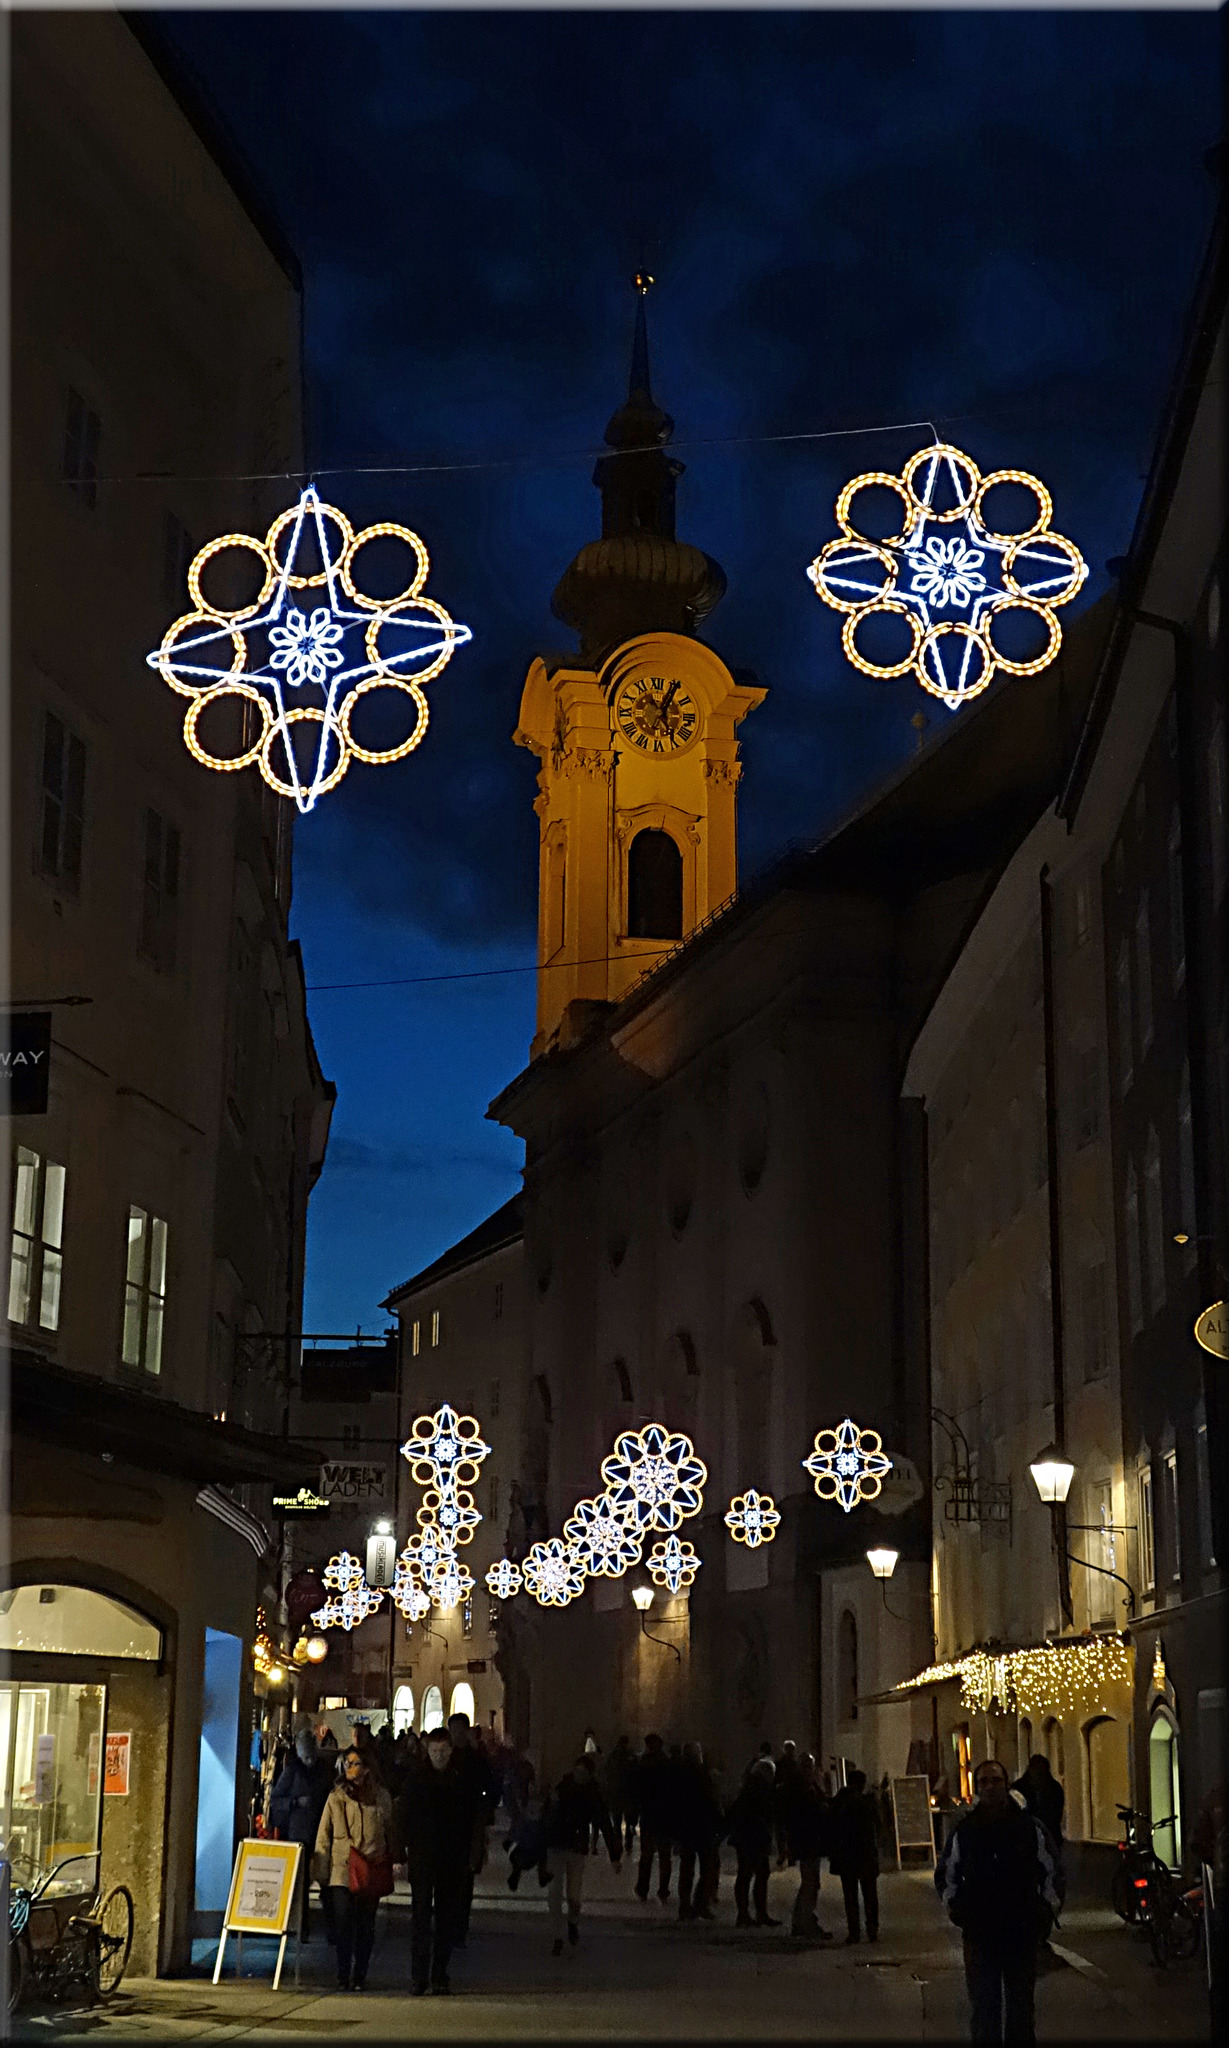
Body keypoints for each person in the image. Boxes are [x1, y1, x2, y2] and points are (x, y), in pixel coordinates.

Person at [936, 1756, 1062, 2044]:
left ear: (1007, 1785)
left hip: (1022, 1932)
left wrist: (1045, 1911)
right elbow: (946, 1874)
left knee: (1021, 2011)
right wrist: (956, 1909)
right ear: (977, 1788)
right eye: (984, 1782)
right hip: (980, 1936)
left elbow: (1053, 1871)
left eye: (996, 1780)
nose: (990, 1787)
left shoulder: (1029, 1828)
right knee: (984, 2011)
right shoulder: (965, 1831)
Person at [398, 1726, 482, 1996]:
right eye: (435, 1750)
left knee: (446, 1918)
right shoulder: (416, 1779)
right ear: (427, 1750)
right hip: (423, 1858)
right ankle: (419, 1976)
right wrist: (400, 1853)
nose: (439, 1755)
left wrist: (474, 1854)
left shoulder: (461, 1780)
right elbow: (403, 1817)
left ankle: (440, 1975)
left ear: (450, 1750)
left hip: (452, 1859)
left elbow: (475, 1820)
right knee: (421, 1918)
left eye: (444, 1750)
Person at [314, 1747, 395, 1992]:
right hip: (342, 1868)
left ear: (367, 1768)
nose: (349, 1768)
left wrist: (393, 1858)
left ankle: (360, 1974)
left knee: (365, 1925)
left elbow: (390, 1830)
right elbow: (324, 1835)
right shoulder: (336, 1796)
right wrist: (321, 1872)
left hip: (370, 1866)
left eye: (355, 1763)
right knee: (343, 1924)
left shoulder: (380, 1797)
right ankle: (342, 1974)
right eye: (347, 1763)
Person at [541, 1753, 622, 1954]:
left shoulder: (593, 1794)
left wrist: (614, 1855)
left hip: (576, 1848)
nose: (579, 1775)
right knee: (554, 1894)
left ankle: (572, 1921)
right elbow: (546, 1816)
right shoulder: (562, 1787)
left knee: (574, 1896)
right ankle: (557, 1936)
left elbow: (604, 1823)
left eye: (583, 1773)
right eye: (577, 1771)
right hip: (557, 1845)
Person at [268, 1727, 334, 1941]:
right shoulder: (292, 1771)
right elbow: (275, 1799)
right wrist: (295, 1803)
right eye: (305, 1755)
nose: (309, 1760)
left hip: (321, 1831)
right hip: (300, 1834)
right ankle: (301, 1926)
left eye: (311, 1755)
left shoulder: (323, 1769)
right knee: (302, 1883)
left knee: (327, 1881)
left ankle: (331, 1927)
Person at [447, 1712, 497, 1943]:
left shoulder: (476, 1761)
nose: (457, 1735)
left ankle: (460, 1928)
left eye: (460, 1730)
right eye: (453, 1730)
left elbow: (490, 1790)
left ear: (466, 1731)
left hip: (469, 1828)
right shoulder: (445, 1758)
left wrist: (484, 1817)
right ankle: (449, 1924)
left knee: (465, 1880)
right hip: (447, 1828)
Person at [829, 1768, 881, 1944]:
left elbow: (832, 1826)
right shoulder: (868, 1803)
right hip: (866, 1854)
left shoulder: (839, 1802)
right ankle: (872, 1930)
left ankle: (854, 1932)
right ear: (863, 1784)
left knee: (850, 1896)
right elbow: (878, 1825)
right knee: (870, 1895)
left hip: (846, 1855)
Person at [726, 1757, 779, 1927]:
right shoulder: (760, 1790)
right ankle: (757, 1913)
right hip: (754, 1837)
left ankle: (746, 1913)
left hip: (745, 1837)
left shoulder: (747, 1787)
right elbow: (763, 1814)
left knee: (746, 1875)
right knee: (758, 1875)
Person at [788, 1753, 834, 1942]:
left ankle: (801, 1921)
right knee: (810, 1884)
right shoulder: (803, 1788)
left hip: (808, 1842)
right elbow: (812, 1812)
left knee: (810, 1883)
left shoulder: (802, 1785)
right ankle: (805, 1922)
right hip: (808, 1842)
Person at [675, 1742, 723, 1921]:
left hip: (687, 1827)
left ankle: (686, 1905)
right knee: (708, 1867)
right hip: (702, 1827)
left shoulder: (679, 1775)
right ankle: (700, 1903)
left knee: (687, 1868)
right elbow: (710, 1799)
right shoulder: (701, 1774)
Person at [634, 1733, 676, 1903]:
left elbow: (637, 1788)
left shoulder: (643, 1764)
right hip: (665, 1816)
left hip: (648, 1814)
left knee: (647, 1854)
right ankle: (663, 1890)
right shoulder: (667, 1763)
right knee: (665, 1856)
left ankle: (642, 1888)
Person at [774, 1741, 802, 1867]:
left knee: (786, 1830)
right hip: (786, 1801)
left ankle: (787, 1854)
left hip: (786, 1801)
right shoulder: (792, 1765)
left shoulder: (784, 1765)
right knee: (785, 1830)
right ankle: (787, 1854)